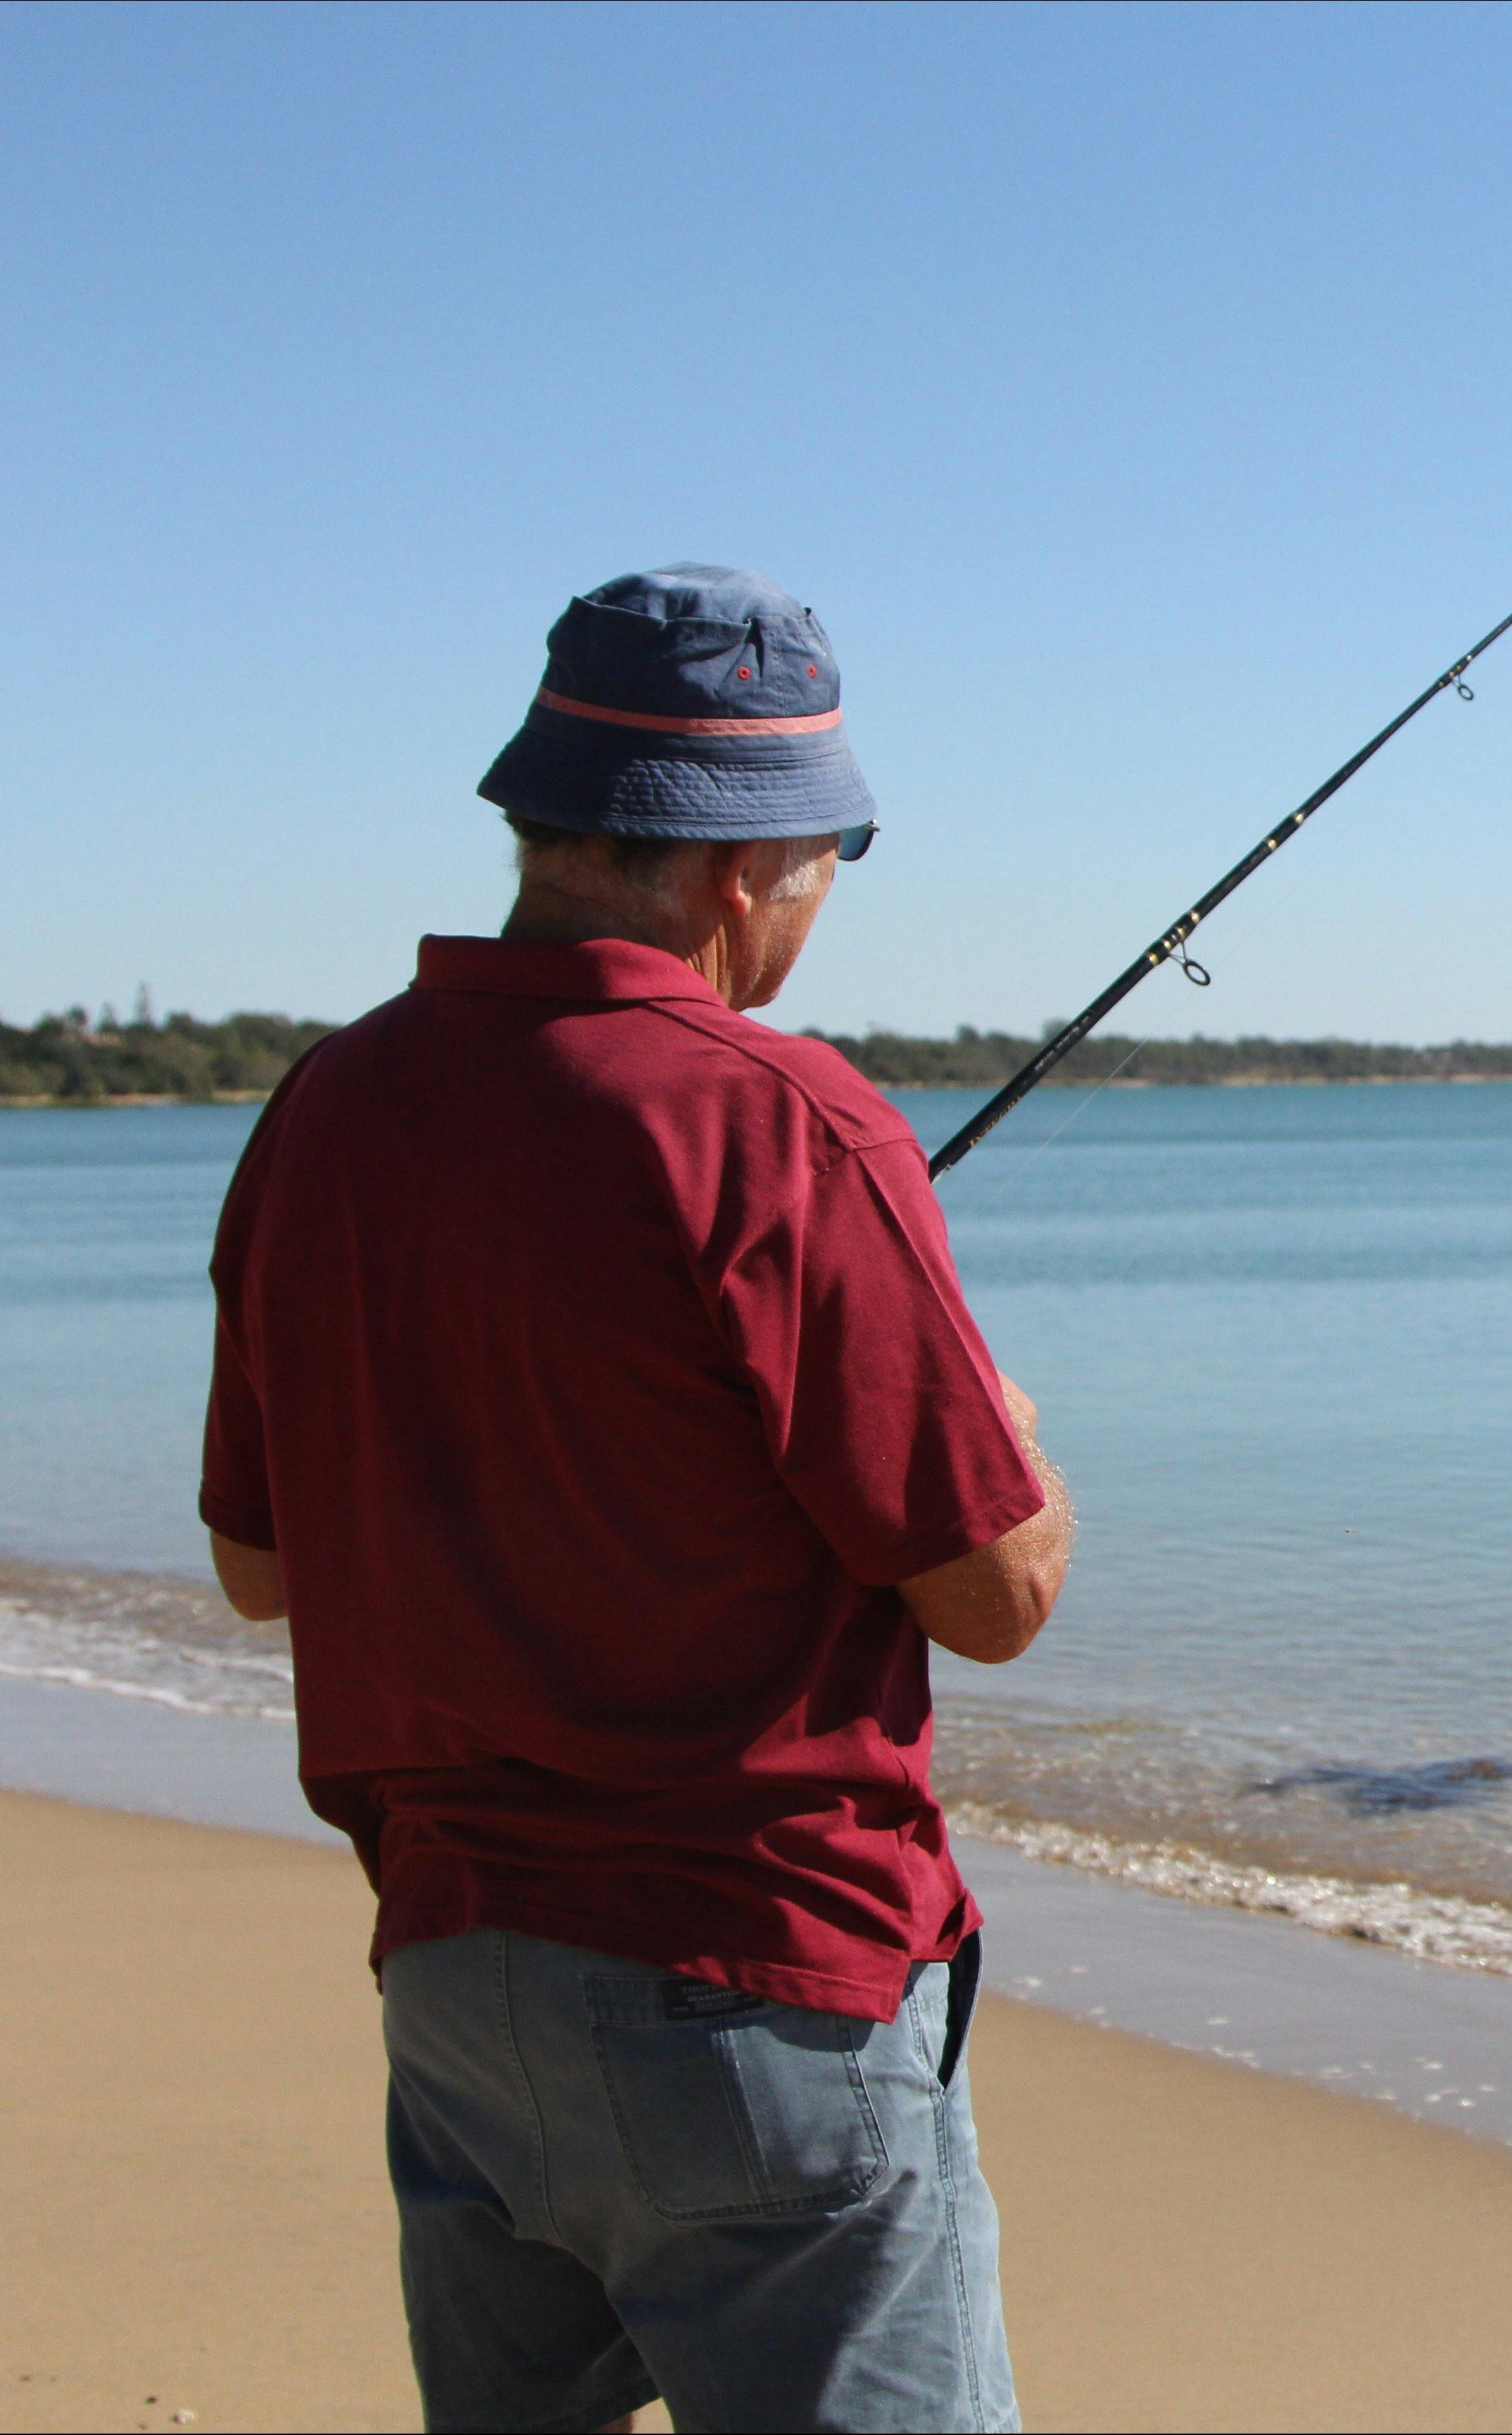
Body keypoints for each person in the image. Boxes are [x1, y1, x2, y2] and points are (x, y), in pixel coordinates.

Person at [196, 565, 1069, 2434]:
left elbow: (257, 1563)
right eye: (836, 854)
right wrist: (1003, 1420)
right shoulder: (784, 1116)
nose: (824, 896)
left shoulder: (323, 1106)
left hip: (458, 1985)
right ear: (743, 868)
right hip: (758, 1979)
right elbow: (995, 1593)